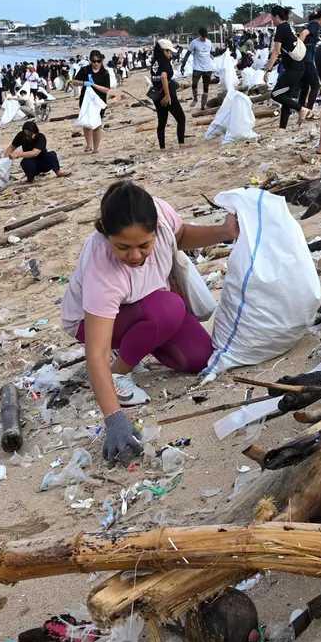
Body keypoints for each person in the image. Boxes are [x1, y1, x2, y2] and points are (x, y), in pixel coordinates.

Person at [60, 181, 238, 463]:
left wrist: (225, 231)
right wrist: (114, 418)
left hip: (150, 305)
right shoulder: (103, 268)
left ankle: (141, 338)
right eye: (123, 247)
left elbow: (181, 235)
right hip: (94, 322)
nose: (134, 256)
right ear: (106, 234)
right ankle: (118, 372)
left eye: (144, 245)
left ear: (156, 230)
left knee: (198, 358)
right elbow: (96, 353)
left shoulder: (162, 215)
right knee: (168, 307)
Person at [263, 5, 309, 128]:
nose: (272, 20)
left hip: (293, 69)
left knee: (275, 94)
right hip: (298, 68)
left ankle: (301, 109)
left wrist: (268, 70)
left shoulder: (281, 28)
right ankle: (282, 127)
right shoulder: (288, 26)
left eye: (272, 17)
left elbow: (276, 51)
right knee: (286, 98)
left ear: (277, 16)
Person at [149, 40, 186, 151]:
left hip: (156, 95)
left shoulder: (154, 62)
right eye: (169, 51)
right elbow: (164, 76)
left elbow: (155, 78)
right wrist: (167, 95)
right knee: (181, 118)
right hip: (166, 94)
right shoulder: (165, 61)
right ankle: (181, 144)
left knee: (162, 122)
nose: (170, 54)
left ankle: (162, 148)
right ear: (164, 51)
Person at [75, 50, 113, 154]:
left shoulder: (104, 72)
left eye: (98, 61)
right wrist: (84, 83)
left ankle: (96, 148)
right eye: (93, 61)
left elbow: (106, 89)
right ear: (90, 60)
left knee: (97, 124)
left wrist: (93, 85)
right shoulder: (85, 70)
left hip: (99, 101)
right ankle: (89, 145)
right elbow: (74, 82)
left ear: (101, 60)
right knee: (86, 122)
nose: (96, 63)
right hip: (86, 100)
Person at [298, 9, 321, 114]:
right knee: (315, 85)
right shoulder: (315, 25)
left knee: (305, 85)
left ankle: (300, 109)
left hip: (304, 58)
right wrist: (298, 48)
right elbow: (303, 33)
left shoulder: (313, 25)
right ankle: (309, 111)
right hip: (306, 59)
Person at [186, 28, 215, 110]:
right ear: (200, 35)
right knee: (194, 84)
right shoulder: (194, 42)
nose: (204, 38)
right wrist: (182, 65)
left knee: (206, 87)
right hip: (197, 68)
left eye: (205, 37)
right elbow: (188, 54)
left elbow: (214, 53)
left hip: (207, 68)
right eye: (203, 37)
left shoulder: (209, 42)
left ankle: (203, 105)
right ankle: (195, 99)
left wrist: (223, 52)